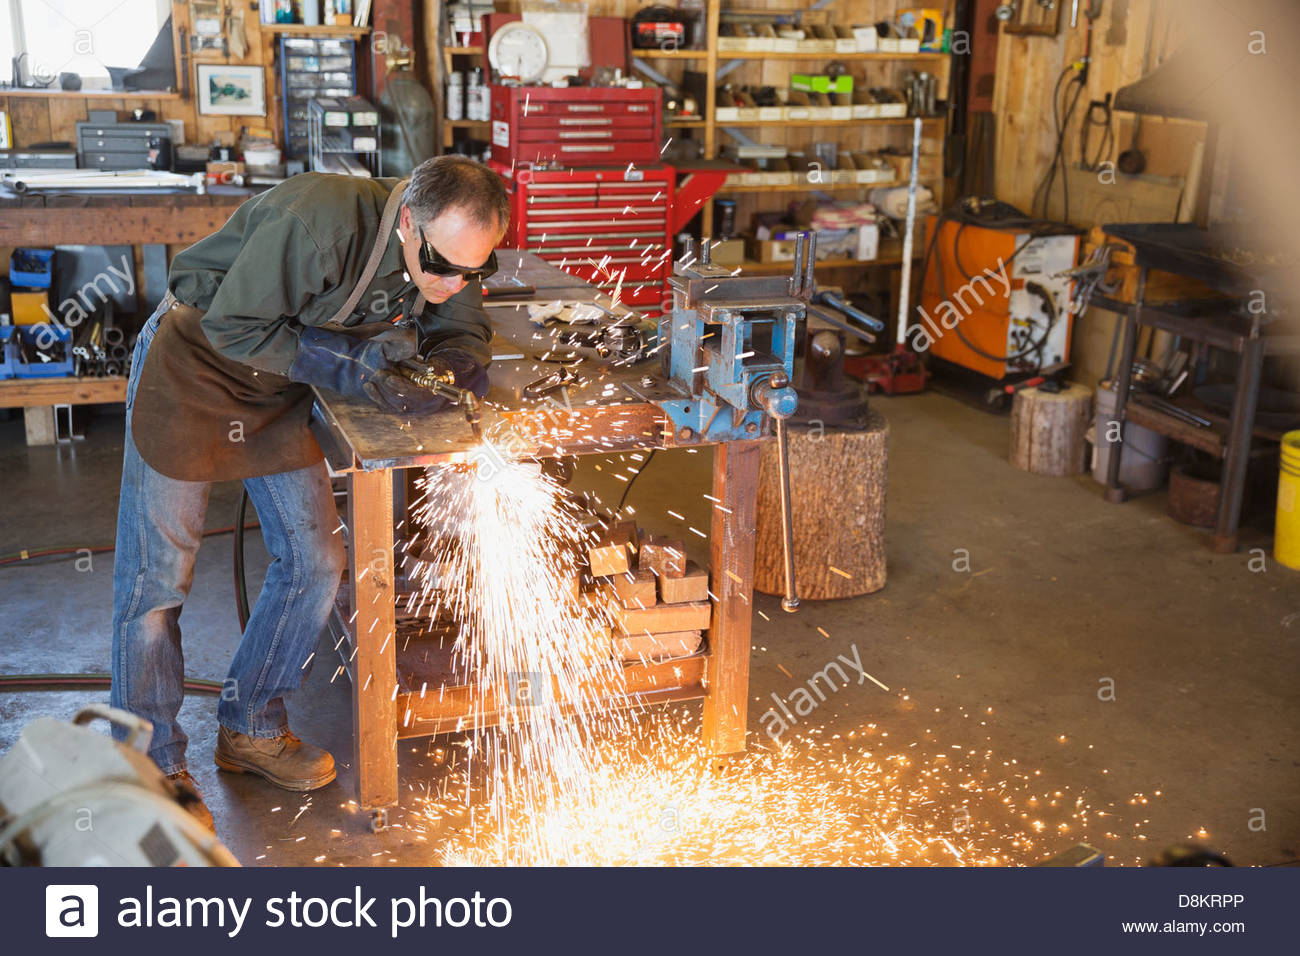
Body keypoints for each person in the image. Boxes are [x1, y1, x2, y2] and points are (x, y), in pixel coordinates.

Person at [111, 156, 509, 830]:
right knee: (157, 579)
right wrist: (349, 364)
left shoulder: (454, 254)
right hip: (196, 365)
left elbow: (458, 320)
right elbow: (233, 327)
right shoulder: (321, 221)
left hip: (279, 388)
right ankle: (145, 759)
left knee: (317, 564)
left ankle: (250, 726)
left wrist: (453, 365)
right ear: (408, 219)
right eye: (441, 264)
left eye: (473, 270)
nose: (452, 282)